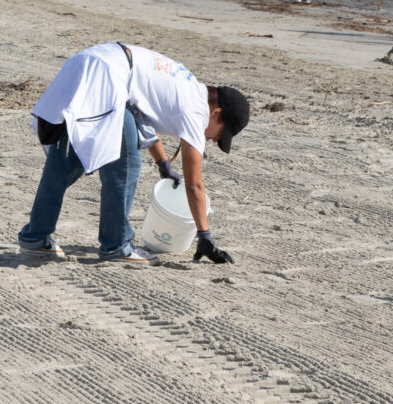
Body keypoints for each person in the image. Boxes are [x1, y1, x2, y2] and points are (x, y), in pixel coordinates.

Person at [19, 40, 252, 262]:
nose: (212, 140)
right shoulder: (197, 112)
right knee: (127, 163)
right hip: (109, 75)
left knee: (68, 160)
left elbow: (144, 116)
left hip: (88, 62)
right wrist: (205, 236)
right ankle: (117, 245)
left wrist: (163, 162)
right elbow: (194, 185)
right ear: (217, 114)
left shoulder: (188, 86)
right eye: (219, 135)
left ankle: (35, 237)